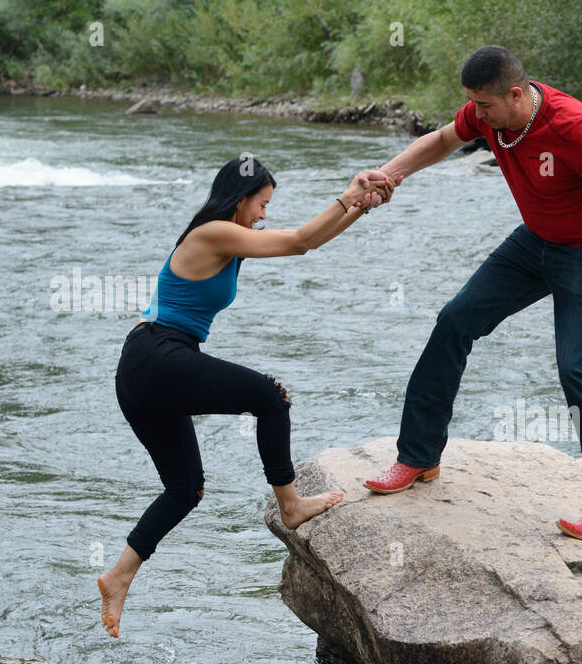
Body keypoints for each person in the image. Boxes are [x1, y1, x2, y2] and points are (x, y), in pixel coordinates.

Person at [361, 45, 582, 543]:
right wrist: (388, 175)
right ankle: (417, 456)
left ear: (516, 95)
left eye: (484, 106)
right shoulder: (492, 116)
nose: (476, 116)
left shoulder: (574, 128)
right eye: (473, 105)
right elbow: (440, 141)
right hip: (535, 241)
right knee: (454, 320)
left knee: (576, 369)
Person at [98, 156, 400, 637]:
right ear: (241, 199)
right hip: (155, 356)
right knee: (270, 397)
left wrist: (361, 207)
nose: (263, 215)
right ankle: (291, 505)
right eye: (262, 204)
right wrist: (347, 193)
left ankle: (119, 575)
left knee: (185, 490)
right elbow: (298, 239)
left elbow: (306, 245)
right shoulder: (213, 232)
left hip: (145, 370)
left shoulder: (227, 238)